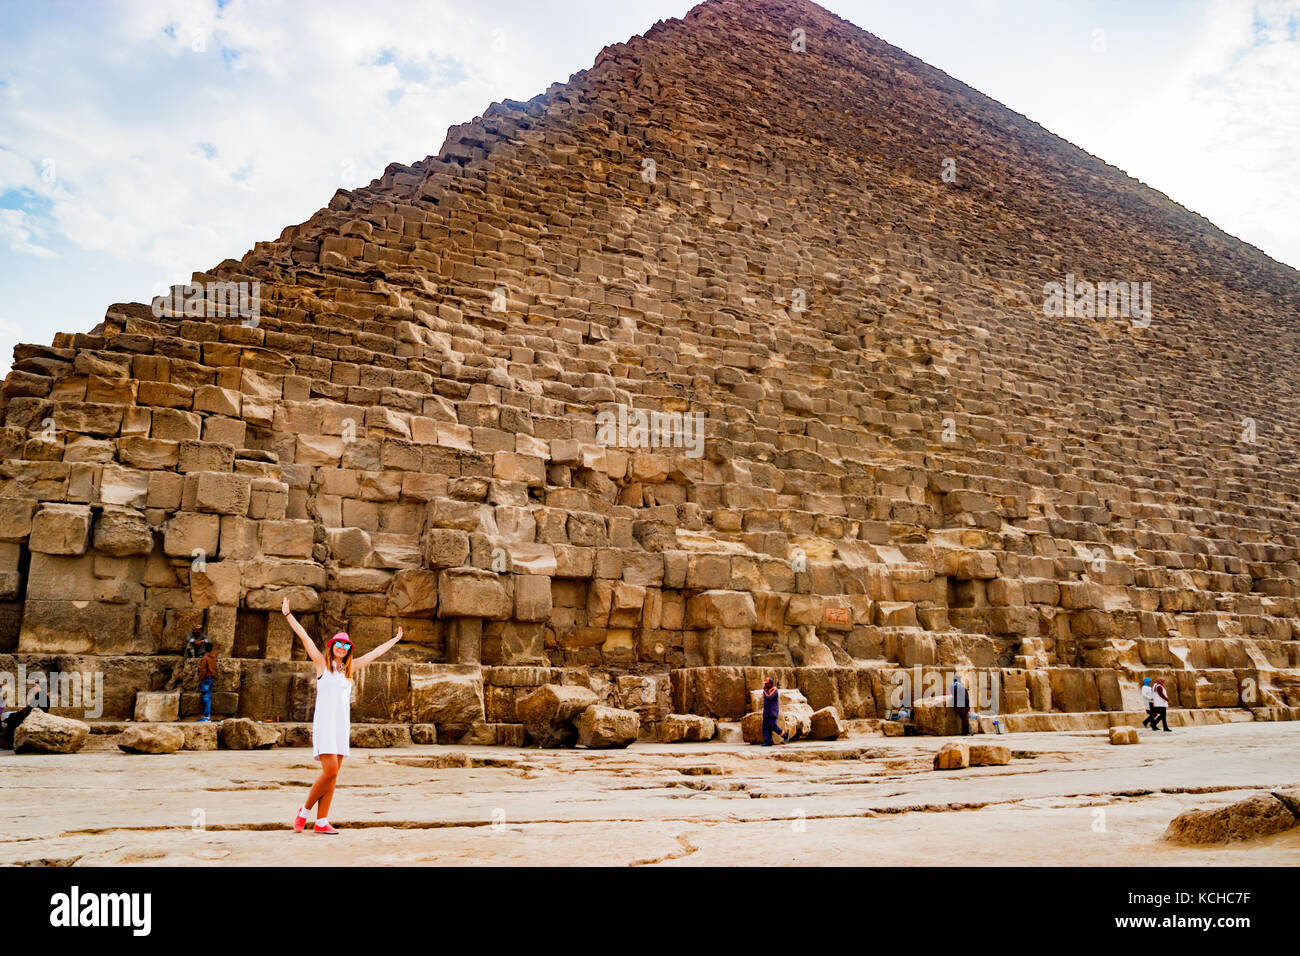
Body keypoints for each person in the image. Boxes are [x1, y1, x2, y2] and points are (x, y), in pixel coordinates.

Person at [282, 596, 403, 834]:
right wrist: (288, 614)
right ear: (332, 646)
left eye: (346, 645)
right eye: (338, 644)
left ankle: (321, 821)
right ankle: (303, 813)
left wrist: (395, 639)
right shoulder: (321, 664)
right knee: (330, 771)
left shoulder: (350, 668)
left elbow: (375, 654)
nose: (342, 648)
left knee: (333, 776)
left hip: (340, 727)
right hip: (325, 725)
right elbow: (304, 637)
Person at [166, 625, 208, 691]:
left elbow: (207, 640)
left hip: (198, 650)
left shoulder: (202, 635)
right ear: (193, 630)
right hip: (190, 652)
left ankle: (200, 654)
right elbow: (188, 639)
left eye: (199, 629)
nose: (197, 631)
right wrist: (194, 641)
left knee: (203, 643)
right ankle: (189, 658)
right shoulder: (190, 634)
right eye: (196, 629)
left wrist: (202, 641)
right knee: (189, 644)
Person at [760, 677, 788, 746]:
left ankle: (785, 735)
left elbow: (769, 697)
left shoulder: (774, 690)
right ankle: (768, 742)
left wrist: (765, 690)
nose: (766, 685)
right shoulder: (767, 690)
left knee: (773, 725)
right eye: (765, 683)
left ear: (771, 683)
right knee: (765, 727)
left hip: (772, 711)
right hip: (766, 712)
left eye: (767, 683)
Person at [197, 642, 218, 722]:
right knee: (209, 696)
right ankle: (208, 716)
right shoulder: (213, 657)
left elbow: (203, 670)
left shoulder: (205, 658)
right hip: (211, 678)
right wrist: (217, 648)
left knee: (206, 697)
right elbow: (216, 653)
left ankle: (206, 717)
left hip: (205, 679)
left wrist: (200, 680)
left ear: (204, 649)